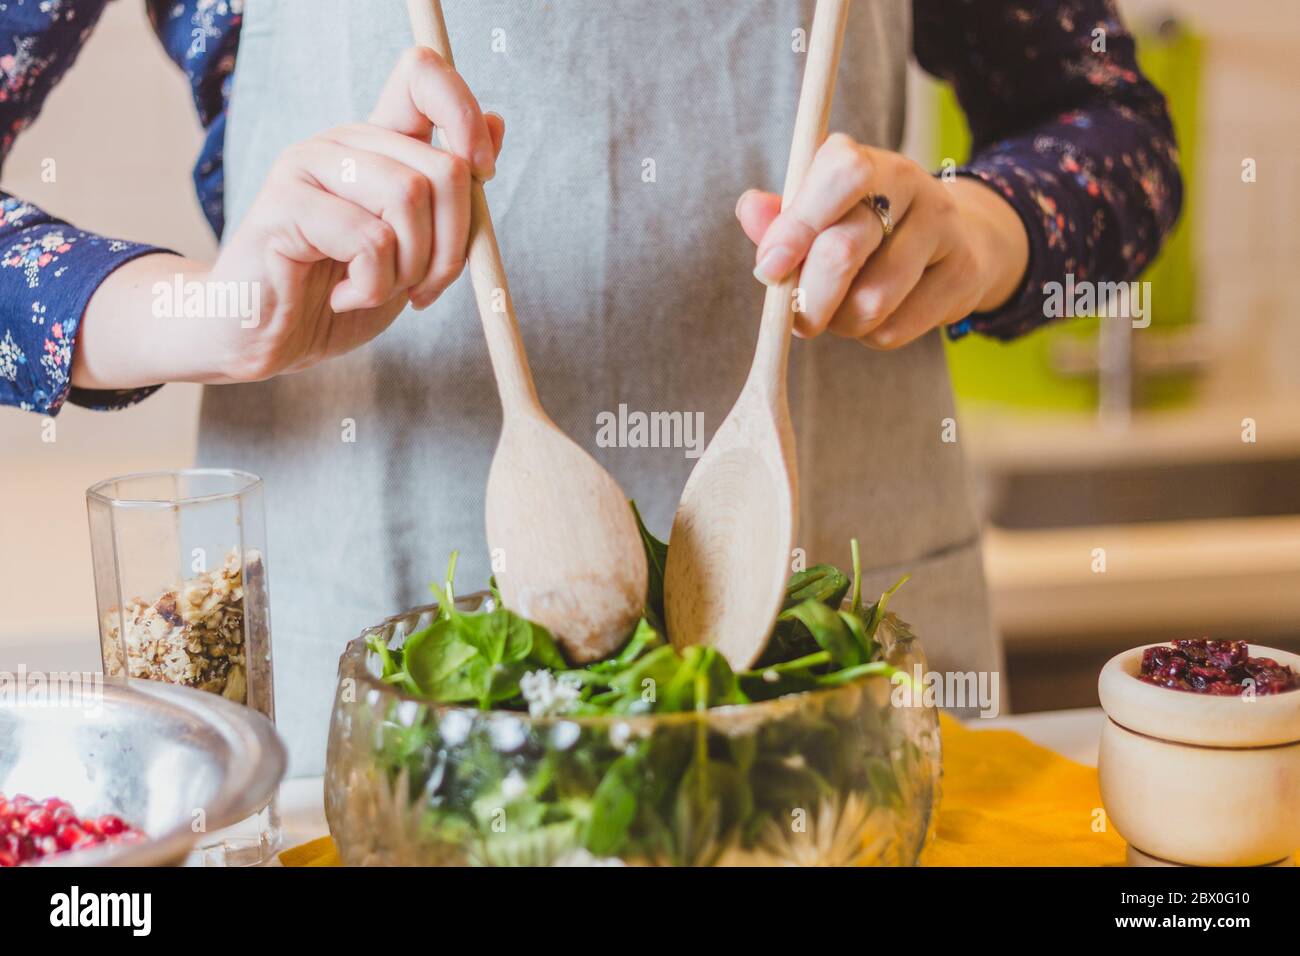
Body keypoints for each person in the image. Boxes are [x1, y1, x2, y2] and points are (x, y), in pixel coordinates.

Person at [0, 1, 1181, 774]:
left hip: (826, 711)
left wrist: (977, 230)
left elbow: (1107, 124)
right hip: (364, 691)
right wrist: (211, 314)